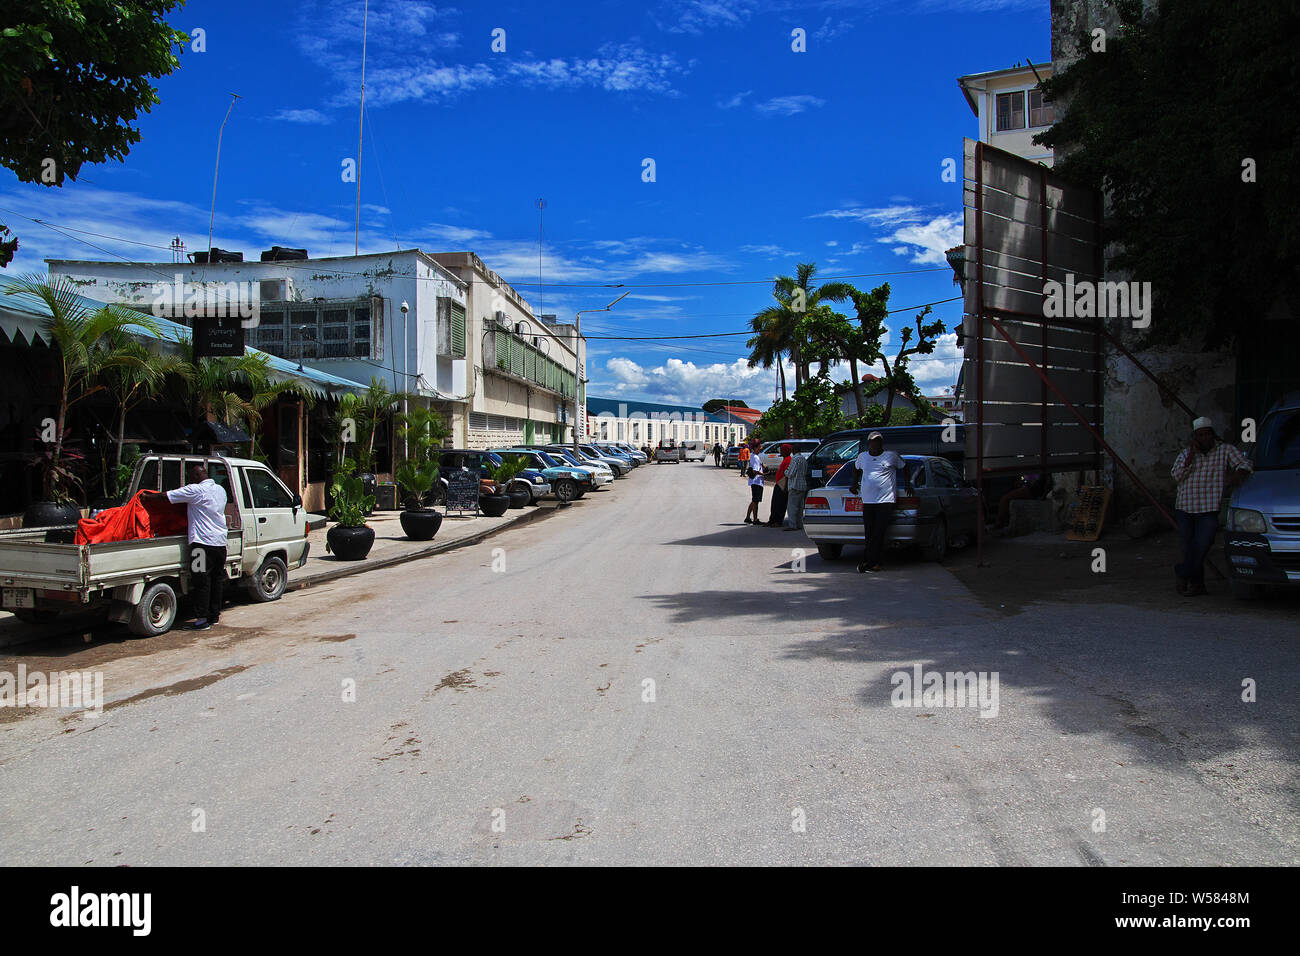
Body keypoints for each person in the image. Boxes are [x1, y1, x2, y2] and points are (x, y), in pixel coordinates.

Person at [1171, 415, 1252, 596]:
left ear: (1213, 435)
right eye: (1200, 435)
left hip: (1208, 508)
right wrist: (1191, 455)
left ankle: (1182, 572)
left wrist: (1236, 476)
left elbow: (1245, 463)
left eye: (1207, 434)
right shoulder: (1186, 454)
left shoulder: (1225, 450)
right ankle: (1197, 585)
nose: (1205, 438)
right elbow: (1176, 476)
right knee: (1189, 547)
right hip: (1185, 507)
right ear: (1195, 438)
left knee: (1202, 545)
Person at [143, 463, 228, 630]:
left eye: (190, 477)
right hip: (220, 544)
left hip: (201, 545)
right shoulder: (220, 490)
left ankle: (202, 620)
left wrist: (146, 497)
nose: (189, 480)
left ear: (196, 477)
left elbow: (166, 497)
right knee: (217, 580)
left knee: (200, 581)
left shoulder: (195, 490)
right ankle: (214, 616)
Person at [850, 431, 906, 573]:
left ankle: (868, 561)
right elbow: (856, 469)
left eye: (878, 441)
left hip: (885, 500)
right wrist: (854, 483)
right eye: (873, 441)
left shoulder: (891, 456)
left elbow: (905, 467)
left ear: (882, 443)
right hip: (868, 500)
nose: (876, 443)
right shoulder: (862, 457)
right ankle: (874, 562)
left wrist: (908, 485)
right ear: (869, 443)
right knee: (870, 532)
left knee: (878, 532)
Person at [783, 448, 811, 531]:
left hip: (794, 485)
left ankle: (792, 525)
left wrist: (785, 471)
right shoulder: (803, 459)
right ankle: (799, 524)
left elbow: (790, 473)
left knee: (792, 506)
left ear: (793, 450)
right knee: (800, 507)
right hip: (802, 485)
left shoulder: (795, 459)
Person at [767, 443, 793, 526]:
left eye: (782, 450)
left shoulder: (788, 460)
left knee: (780, 504)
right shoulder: (785, 459)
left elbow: (786, 475)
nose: (780, 451)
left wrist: (784, 488)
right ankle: (772, 520)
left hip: (782, 485)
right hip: (779, 483)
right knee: (775, 503)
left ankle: (778, 521)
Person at [743, 450, 765, 524]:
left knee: (754, 500)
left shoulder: (753, 455)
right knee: (755, 501)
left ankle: (748, 517)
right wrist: (763, 474)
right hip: (757, 481)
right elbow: (755, 470)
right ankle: (755, 519)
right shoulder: (755, 457)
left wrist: (762, 464)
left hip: (754, 481)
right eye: (759, 446)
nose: (761, 448)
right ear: (756, 447)